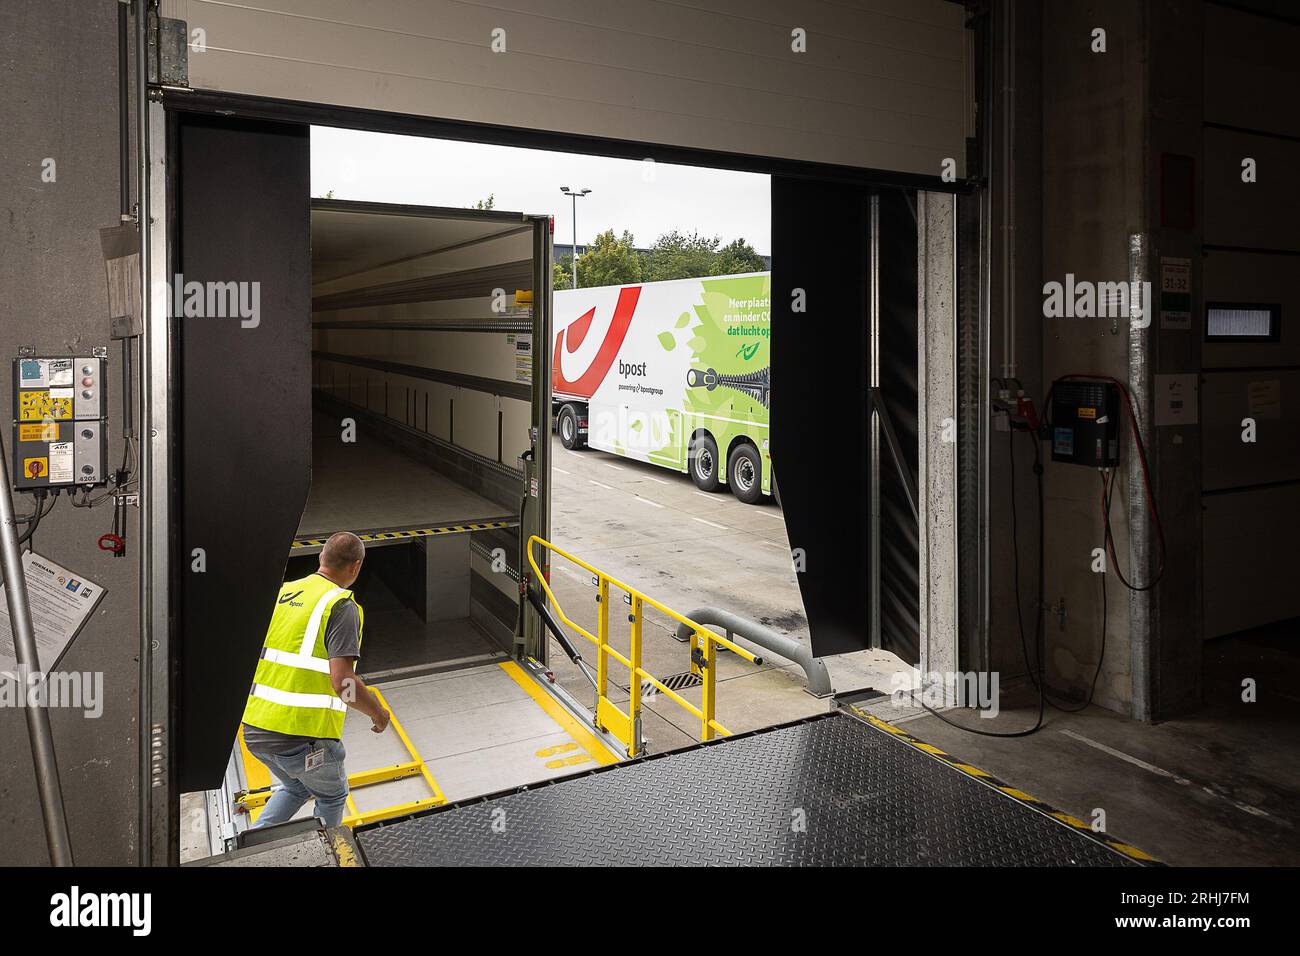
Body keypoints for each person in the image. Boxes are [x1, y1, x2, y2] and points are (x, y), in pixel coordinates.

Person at [240, 531, 390, 828]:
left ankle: (248, 849)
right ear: (356, 566)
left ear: (321, 558)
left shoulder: (283, 591)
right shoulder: (341, 606)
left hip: (255, 731)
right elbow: (342, 683)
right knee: (332, 797)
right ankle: (328, 853)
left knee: (296, 788)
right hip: (300, 737)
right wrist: (378, 713)